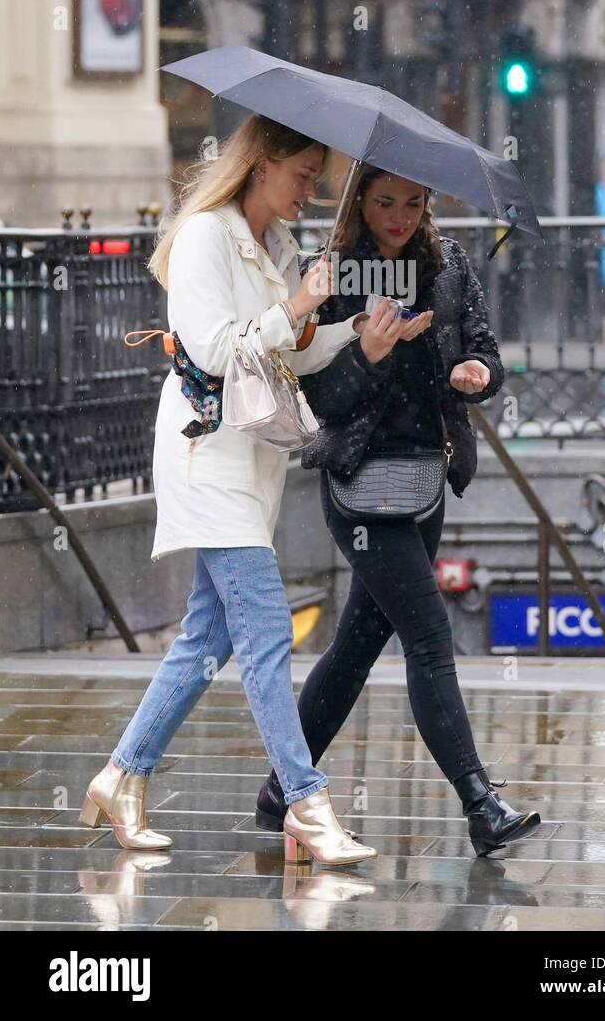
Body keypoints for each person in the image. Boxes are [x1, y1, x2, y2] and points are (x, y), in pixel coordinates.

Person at [79, 116, 377, 868]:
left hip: (249, 462)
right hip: (204, 455)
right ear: (261, 163)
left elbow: (289, 360)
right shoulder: (207, 235)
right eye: (304, 174)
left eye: (317, 177)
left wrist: (355, 334)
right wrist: (296, 306)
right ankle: (307, 802)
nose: (313, 190)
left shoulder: (275, 245)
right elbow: (214, 349)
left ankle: (121, 775)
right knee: (267, 632)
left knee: (206, 639)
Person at [256, 166, 542, 856]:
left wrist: (474, 374)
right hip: (358, 482)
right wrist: (371, 355)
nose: (400, 216)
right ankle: (480, 803)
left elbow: (486, 353)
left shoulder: (448, 268)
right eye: (385, 203)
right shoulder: (332, 275)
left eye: (414, 203)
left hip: (427, 476)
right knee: (428, 636)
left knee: (356, 644)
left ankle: (277, 794)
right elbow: (321, 400)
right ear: (360, 201)